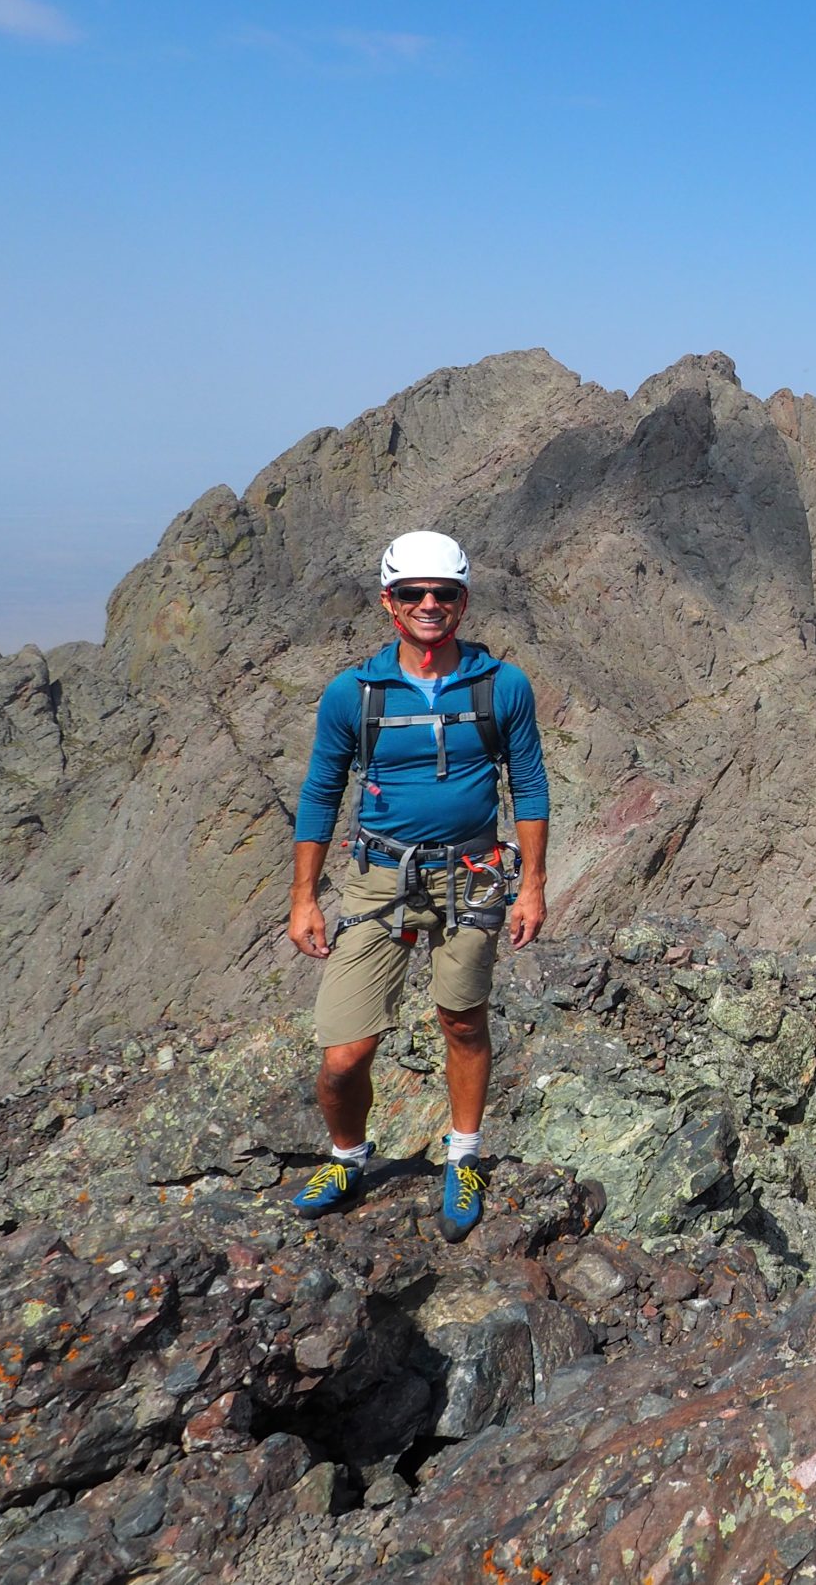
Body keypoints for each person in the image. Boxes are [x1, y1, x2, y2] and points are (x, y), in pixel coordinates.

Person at [285, 530, 550, 1238]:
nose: (429, 604)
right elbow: (319, 792)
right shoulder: (354, 694)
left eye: (444, 593)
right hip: (380, 878)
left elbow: (528, 786)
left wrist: (533, 885)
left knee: (463, 1019)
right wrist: (303, 895)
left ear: (464, 600)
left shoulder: (503, 687)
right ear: (388, 602)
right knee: (345, 1055)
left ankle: (463, 1156)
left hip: (473, 873)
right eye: (413, 593)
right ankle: (347, 1155)